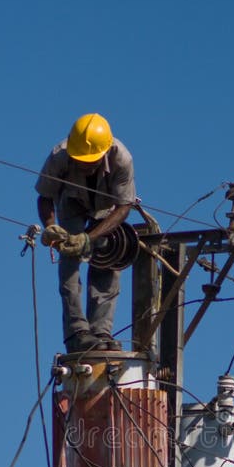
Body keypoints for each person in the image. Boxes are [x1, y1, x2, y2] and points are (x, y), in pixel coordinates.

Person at [35, 113, 136, 353]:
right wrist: (51, 227)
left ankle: (100, 332)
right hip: (72, 203)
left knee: (108, 262)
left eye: (89, 161)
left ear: (103, 153)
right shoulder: (60, 155)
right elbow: (45, 196)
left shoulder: (122, 158)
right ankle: (77, 333)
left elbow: (124, 207)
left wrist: (89, 239)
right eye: (79, 159)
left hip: (107, 210)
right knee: (69, 266)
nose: (83, 164)